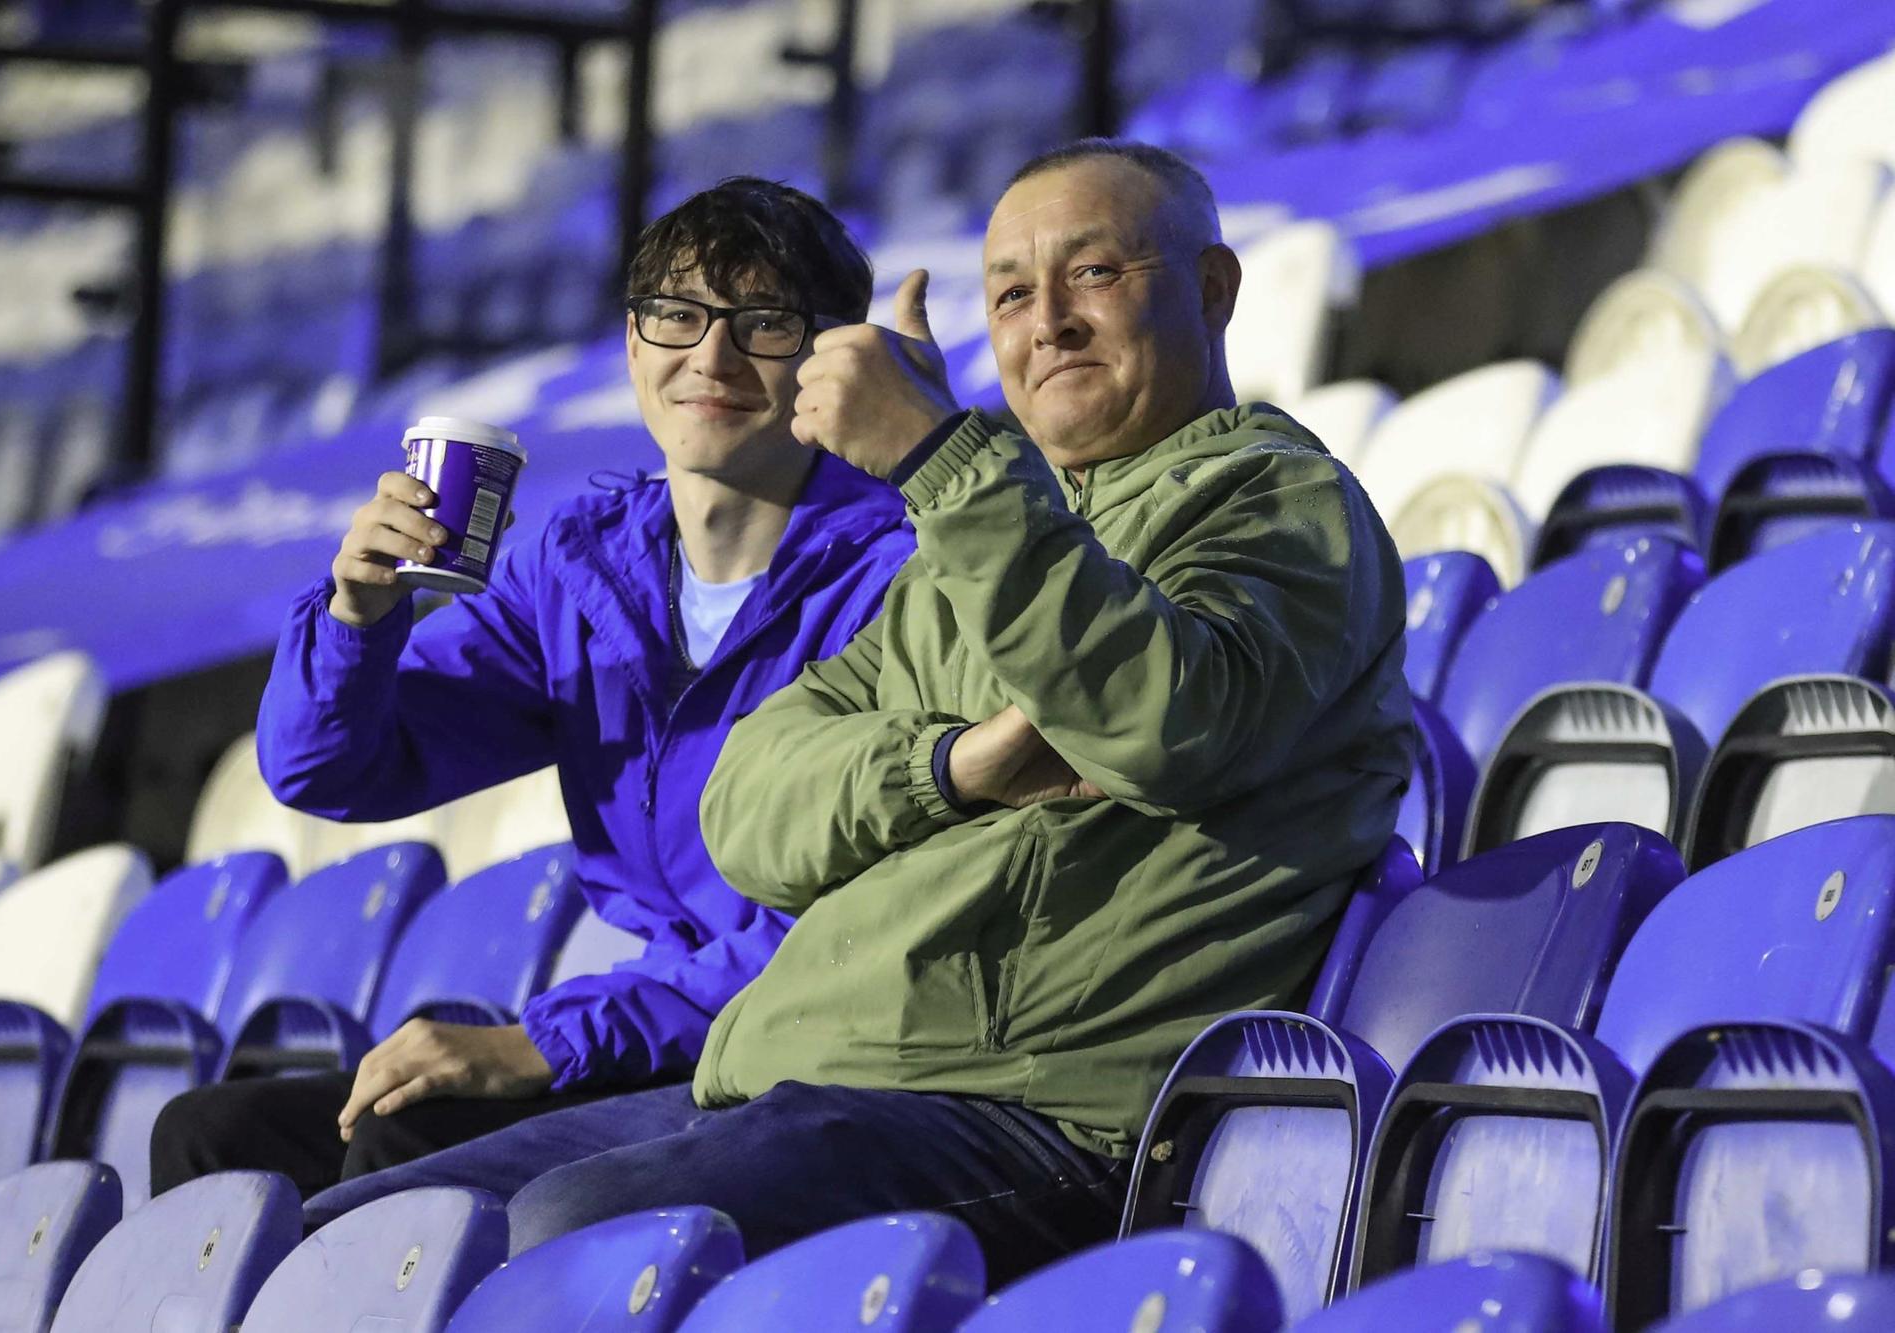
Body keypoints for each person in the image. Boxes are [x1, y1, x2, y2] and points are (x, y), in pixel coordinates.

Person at [289, 139, 1413, 1284]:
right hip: (791, 1078)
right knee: (364, 1235)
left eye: (1096, 275)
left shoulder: (1274, 503)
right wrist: (948, 768)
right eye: (1013, 293)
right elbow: (750, 804)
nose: (1049, 322)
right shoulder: (972, 542)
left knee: (577, 1233)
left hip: (1037, 1113)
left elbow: (1159, 719)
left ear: (1212, 290)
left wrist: (937, 457)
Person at [148, 177, 914, 1200]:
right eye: (677, 316)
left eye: (764, 324)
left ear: (833, 357)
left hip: (805, 1039)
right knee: (212, 1135)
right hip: (665, 1027)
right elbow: (331, 769)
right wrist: (357, 619)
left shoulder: (896, 571)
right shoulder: (588, 566)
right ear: (632, 343)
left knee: (407, 1149)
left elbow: (850, 925)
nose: (711, 358)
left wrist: (545, 1040)